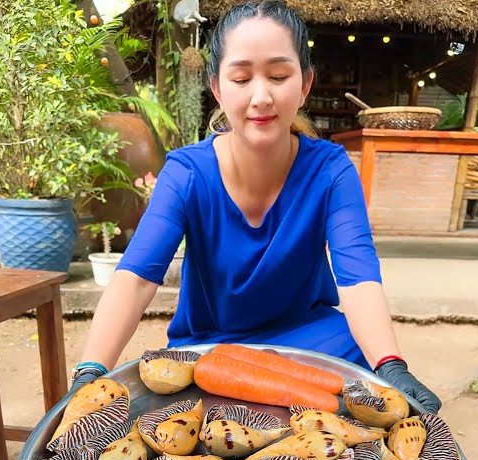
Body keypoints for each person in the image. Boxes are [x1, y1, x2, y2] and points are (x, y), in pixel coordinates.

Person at [71, 0, 440, 411]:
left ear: (304, 85)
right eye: (242, 78)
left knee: (360, 400)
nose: (261, 96)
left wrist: (390, 365)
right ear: (217, 88)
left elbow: (357, 278)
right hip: (211, 352)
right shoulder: (186, 173)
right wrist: (90, 372)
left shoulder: (331, 171)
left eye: (279, 75)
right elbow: (136, 278)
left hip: (310, 342)